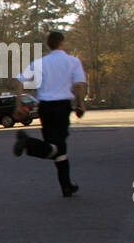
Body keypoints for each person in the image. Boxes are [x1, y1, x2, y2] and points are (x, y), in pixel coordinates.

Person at [12, 30, 86, 197]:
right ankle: (27, 142)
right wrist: (81, 105)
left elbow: (20, 81)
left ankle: (67, 186)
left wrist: (19, 105)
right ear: (62, 43)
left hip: (45, 107)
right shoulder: (72, 61)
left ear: (48, 45)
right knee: (58, 147)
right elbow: (79, 85)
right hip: (62, 107)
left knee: (56, 148)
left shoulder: (40, 63)